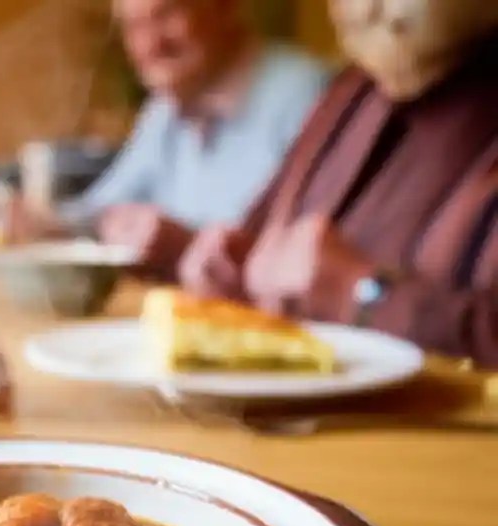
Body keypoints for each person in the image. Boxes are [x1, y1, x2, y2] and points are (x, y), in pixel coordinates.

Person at [152, 0, 497, 365]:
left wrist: (361, 292)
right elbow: (259, 240)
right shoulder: (353, 89)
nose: (363, 10)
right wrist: (231, 265)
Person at [18, 0, 330, 259]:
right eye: (133, 26)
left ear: (225, 7)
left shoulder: (308, 98)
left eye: (166, 14)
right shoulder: (168, 107)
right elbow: (101, 212)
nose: (149, 44)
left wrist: (188, 249)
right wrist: (39, 222)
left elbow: (311, 261)